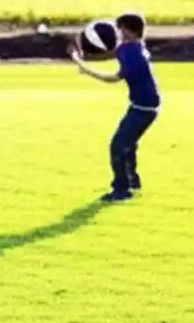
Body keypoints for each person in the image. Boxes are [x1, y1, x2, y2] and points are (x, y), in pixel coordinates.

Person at [68, 12, 161, 203]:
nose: (118, 31)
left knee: (117, 146)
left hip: (143, 109)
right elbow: (112, 53)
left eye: (121, 28)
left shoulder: (134, 55)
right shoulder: (132, 47)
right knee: (128, 144)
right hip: (143, 106)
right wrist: (82, 57)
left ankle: (121, 190)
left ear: (130, 31)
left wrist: (85, 69)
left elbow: (112, 78)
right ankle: (132, 182)